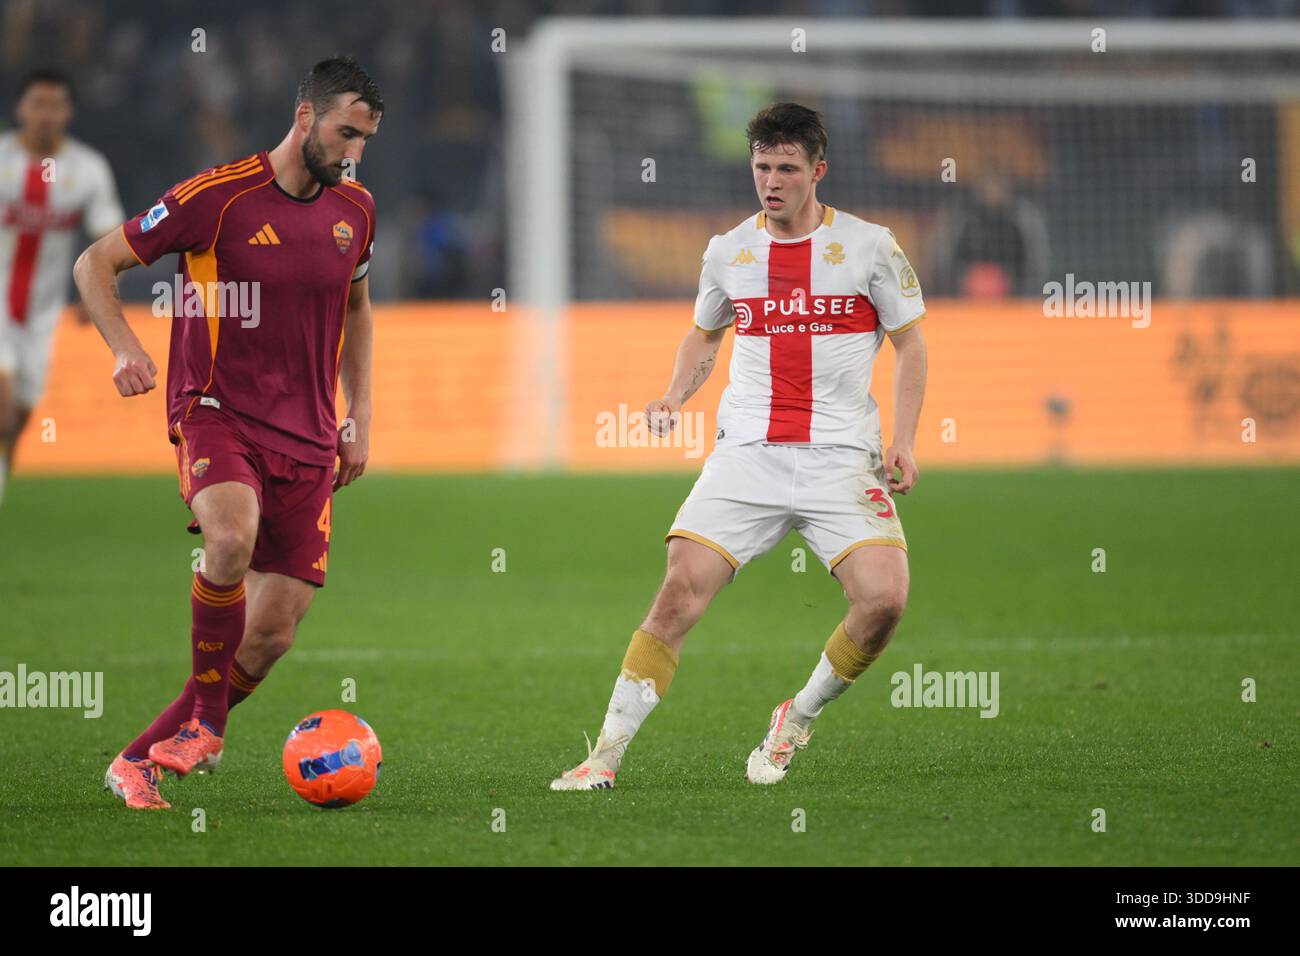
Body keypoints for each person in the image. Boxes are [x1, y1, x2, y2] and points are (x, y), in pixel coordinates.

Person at [551, 102, 928, 790]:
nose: (772, 181)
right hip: (747, 453)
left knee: (884, 601)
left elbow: (911, 345)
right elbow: (705, 332)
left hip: (841, 457)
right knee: (676, 594)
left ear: (819, 170)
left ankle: (797, 716)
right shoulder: (729, 250)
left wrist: (903, 440)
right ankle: (602, 758)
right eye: (762, 167)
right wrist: (673, 395)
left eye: (787, 168)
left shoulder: (872, 246)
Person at [73, 56, 382, 810]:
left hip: (308, 435)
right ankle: (207, 725)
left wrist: (358, 415)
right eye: (345, 132)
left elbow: (357, 309)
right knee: (230, 541)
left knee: (272, 633)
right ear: (305, 117)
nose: (353, 152)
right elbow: (95, 263)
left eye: (367, 139)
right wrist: (125, 348)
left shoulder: (358, 212)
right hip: (217, 412)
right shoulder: (216, 198)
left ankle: (139, 758)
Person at [0, 68, 124, 505]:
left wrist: (98, 297)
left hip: (42, 314)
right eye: (37, 103)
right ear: (20, 108)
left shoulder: (87, 169)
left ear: (68, 111)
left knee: (17, 417)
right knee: (2, 398)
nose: (46, 114)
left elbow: (113, 241)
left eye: (55, 105)